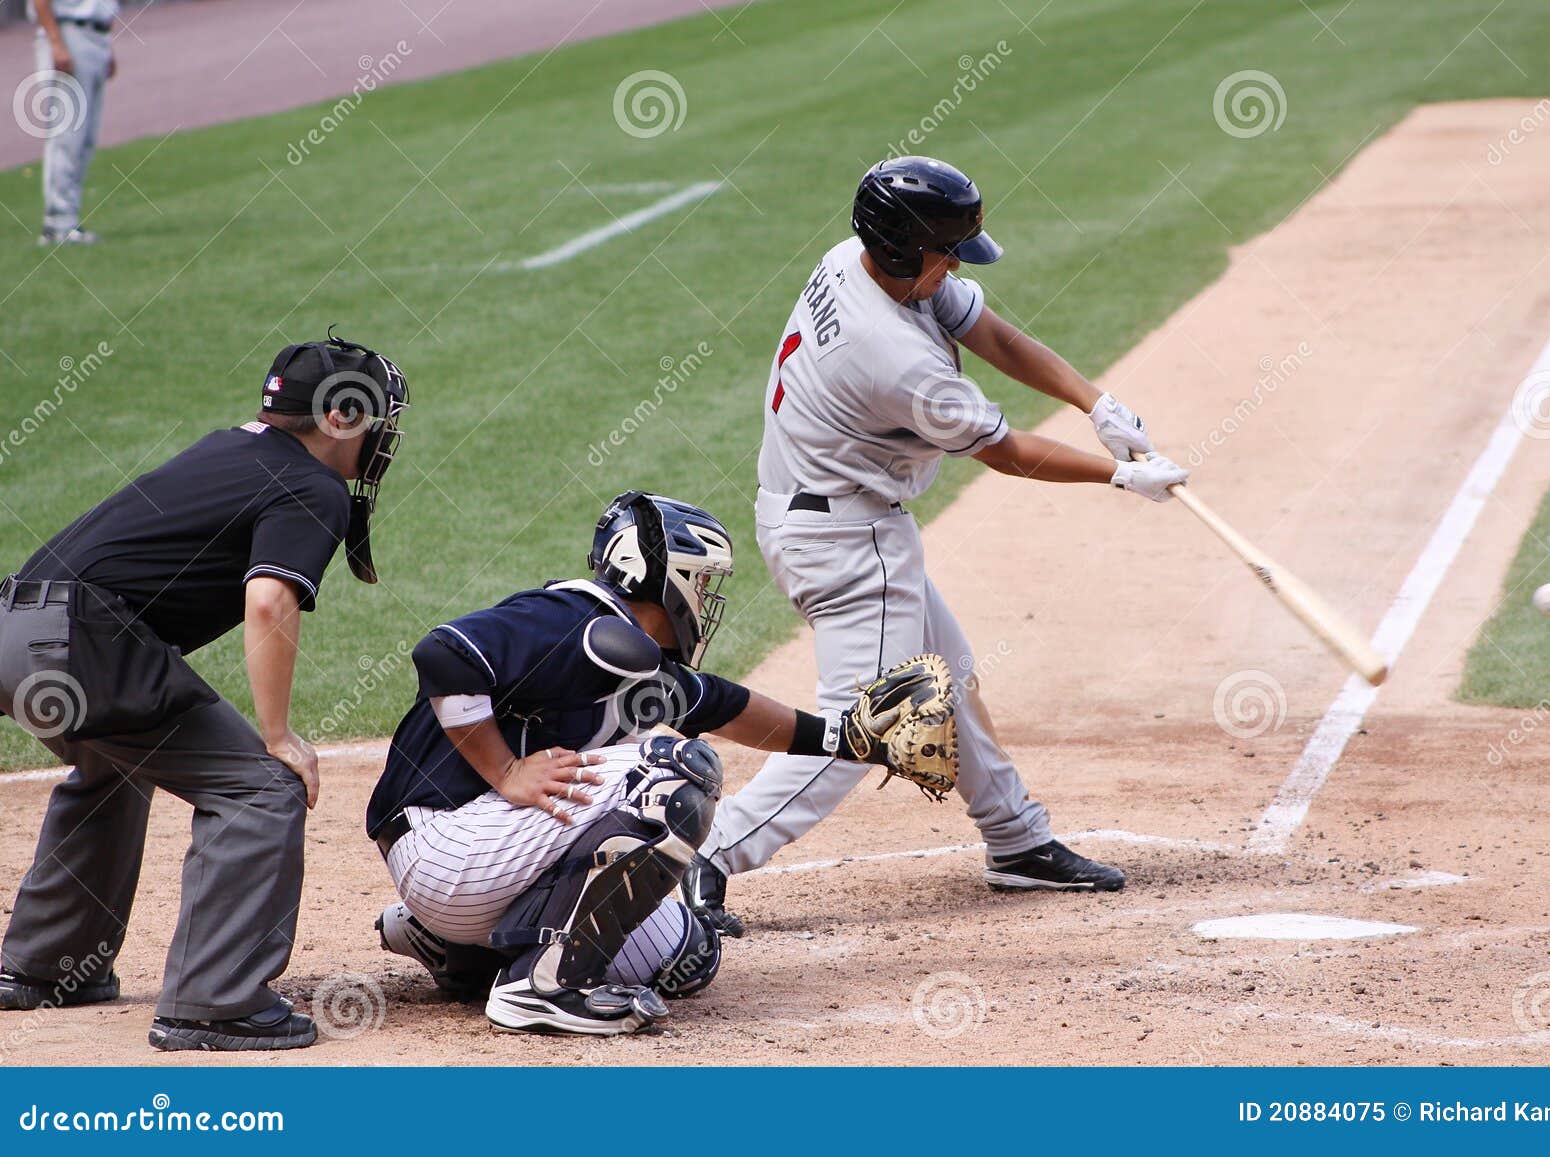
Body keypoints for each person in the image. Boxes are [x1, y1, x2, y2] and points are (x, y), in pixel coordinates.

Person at [683, 156, 1191, 937]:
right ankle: (701, 858)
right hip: (847, 540)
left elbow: (991, 333)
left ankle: (1016, 839)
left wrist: (1099, 404)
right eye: (945, 252)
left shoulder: (851, 261)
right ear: (901, 251)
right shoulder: (894, 358)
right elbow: (1009, 454)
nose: (953, 265)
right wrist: (1120, 476)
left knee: (947, 676)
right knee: (869, 726)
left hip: (825, 511)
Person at [368, 490, 940, 1036]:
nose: (707, 599)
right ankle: (544, 986)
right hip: (447, 843)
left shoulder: (634, 657)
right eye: (703, 581)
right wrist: (506, 771)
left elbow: (724, 705)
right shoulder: (576, 618)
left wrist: (852, 737)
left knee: (689, 958)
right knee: (677, 776)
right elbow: (442, 654)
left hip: (484, 869)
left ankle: (457, 949)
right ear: (664, 577)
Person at [0, 331, 410, 1051]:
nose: (381, 437)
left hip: (15, 626)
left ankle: (44, 964)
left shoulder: (233, 448)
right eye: (374, 417)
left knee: (113, 761)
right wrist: (278, 736)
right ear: (341, 418)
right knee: (259, 785)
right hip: (80, 641)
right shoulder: (313, 486)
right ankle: (212, 1003)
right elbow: (267, 602)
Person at [31, 1, 119, 245]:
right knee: (67, 136)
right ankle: (57, 224)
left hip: (95, 34)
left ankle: (68, 219)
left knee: (85, 139)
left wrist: (107, 47)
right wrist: (57, 44)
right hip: (68, 33)